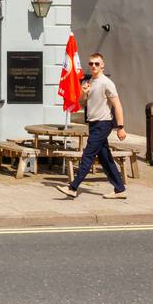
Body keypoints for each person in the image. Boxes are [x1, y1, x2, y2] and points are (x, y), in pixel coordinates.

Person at [57, 52, 128, 200]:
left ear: (102, 65)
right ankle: (120, 189)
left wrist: (120, 127)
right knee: (105, 158)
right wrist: (84, 93)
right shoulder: (88, 82)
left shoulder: (106, 83)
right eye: (91, 64)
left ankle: (73, 187)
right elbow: (83, 103)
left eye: (97, 64)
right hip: (93, 124)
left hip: (103, 124)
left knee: (88, 155)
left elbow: (117, 105)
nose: (93, 66)